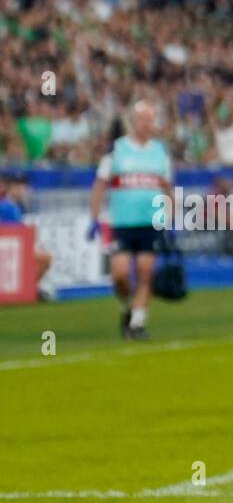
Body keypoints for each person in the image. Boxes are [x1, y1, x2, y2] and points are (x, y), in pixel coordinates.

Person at [88, 101, 172, 338]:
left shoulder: (159, 152)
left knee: (146, 272)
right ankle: (128, 306)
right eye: (141, 119)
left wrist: (170, 218)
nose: (145, 124)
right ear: (133, 122)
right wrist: (94, 218)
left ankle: (138, 322)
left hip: (151, 222)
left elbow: (167, 189)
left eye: (149, 119)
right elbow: (99, 187)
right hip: (122, 223)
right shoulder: (117, 151)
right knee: (120, 275)